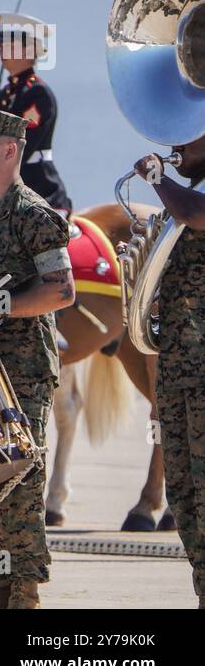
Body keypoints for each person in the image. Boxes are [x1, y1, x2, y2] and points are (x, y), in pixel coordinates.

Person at [0, 108, 72, 608]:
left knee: (20, 475)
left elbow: (61, 291)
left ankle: (23, 589)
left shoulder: (34, 215)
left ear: (9, 150)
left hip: (22, 367)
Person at [132, 138, 205, 609]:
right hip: (180, 368)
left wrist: (161, 180)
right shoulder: (185, 193)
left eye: (186, 136)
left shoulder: (186, 198)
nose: (176, 145)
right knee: (183, 493)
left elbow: (198, 215)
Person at [0, 13, 72, 214]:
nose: (2, 50)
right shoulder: (6, 93)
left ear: (29, 51)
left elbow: (23, 145)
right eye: (2, 45)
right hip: (7, 184)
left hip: (38, 187)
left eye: (10, 45)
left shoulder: (38, 93)